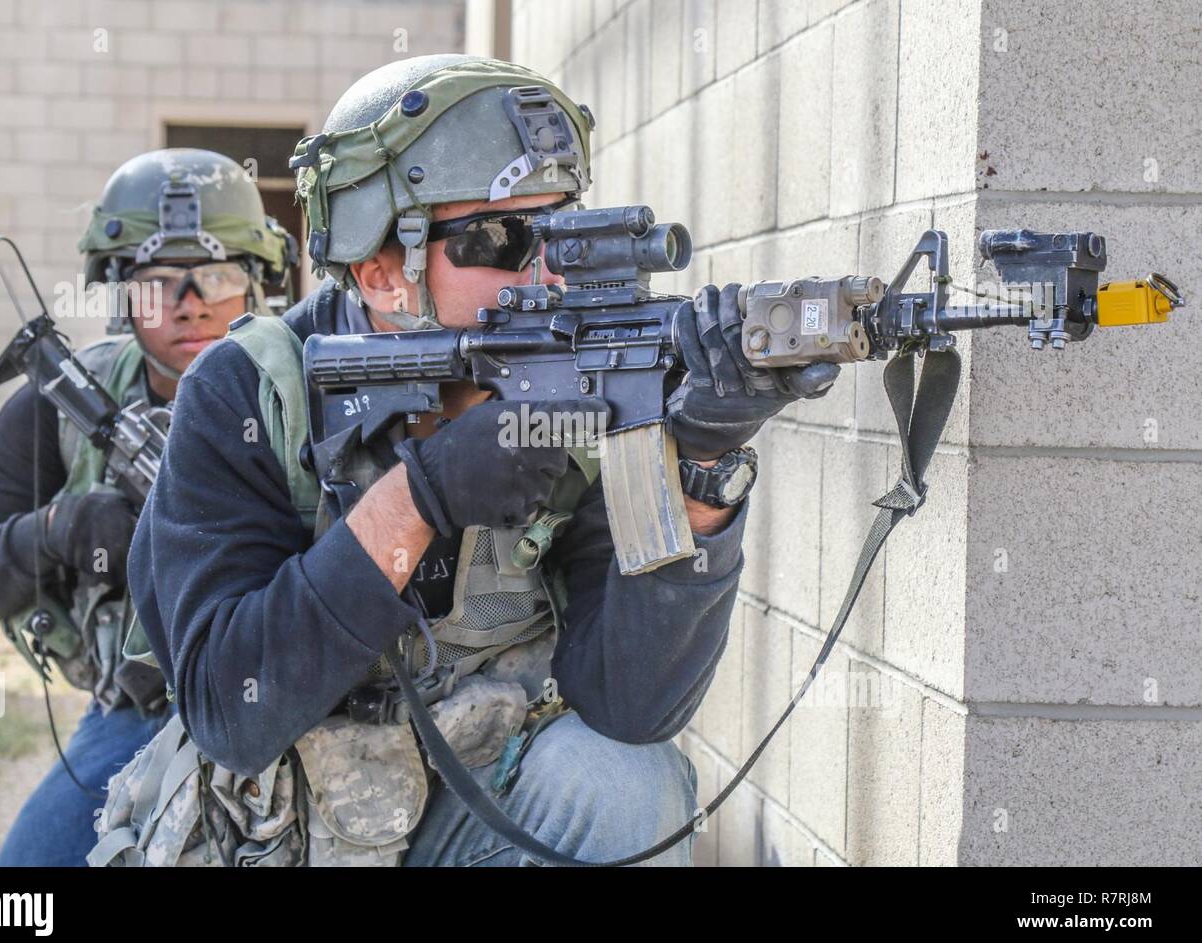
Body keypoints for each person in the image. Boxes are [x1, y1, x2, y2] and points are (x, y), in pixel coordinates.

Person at [111, 55, 838, 867]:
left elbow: (632, 706)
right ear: (380, 268)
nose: (551, 270)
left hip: (473, 796)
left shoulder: (583, 387)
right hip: (286, 833)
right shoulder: (251, 392)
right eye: (503, 238)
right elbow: (231, 709)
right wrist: (419, 499)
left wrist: (700, 468)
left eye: (564, 228)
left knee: (629, 781)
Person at [0, 148, 294, 866]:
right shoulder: (62, 407)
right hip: (145, 711)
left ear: (256, 285)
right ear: (120, 293)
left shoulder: (311, 388)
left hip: (304, 693)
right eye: (158, 284)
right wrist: (63, 529)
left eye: (216, 277)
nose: (190, 301)